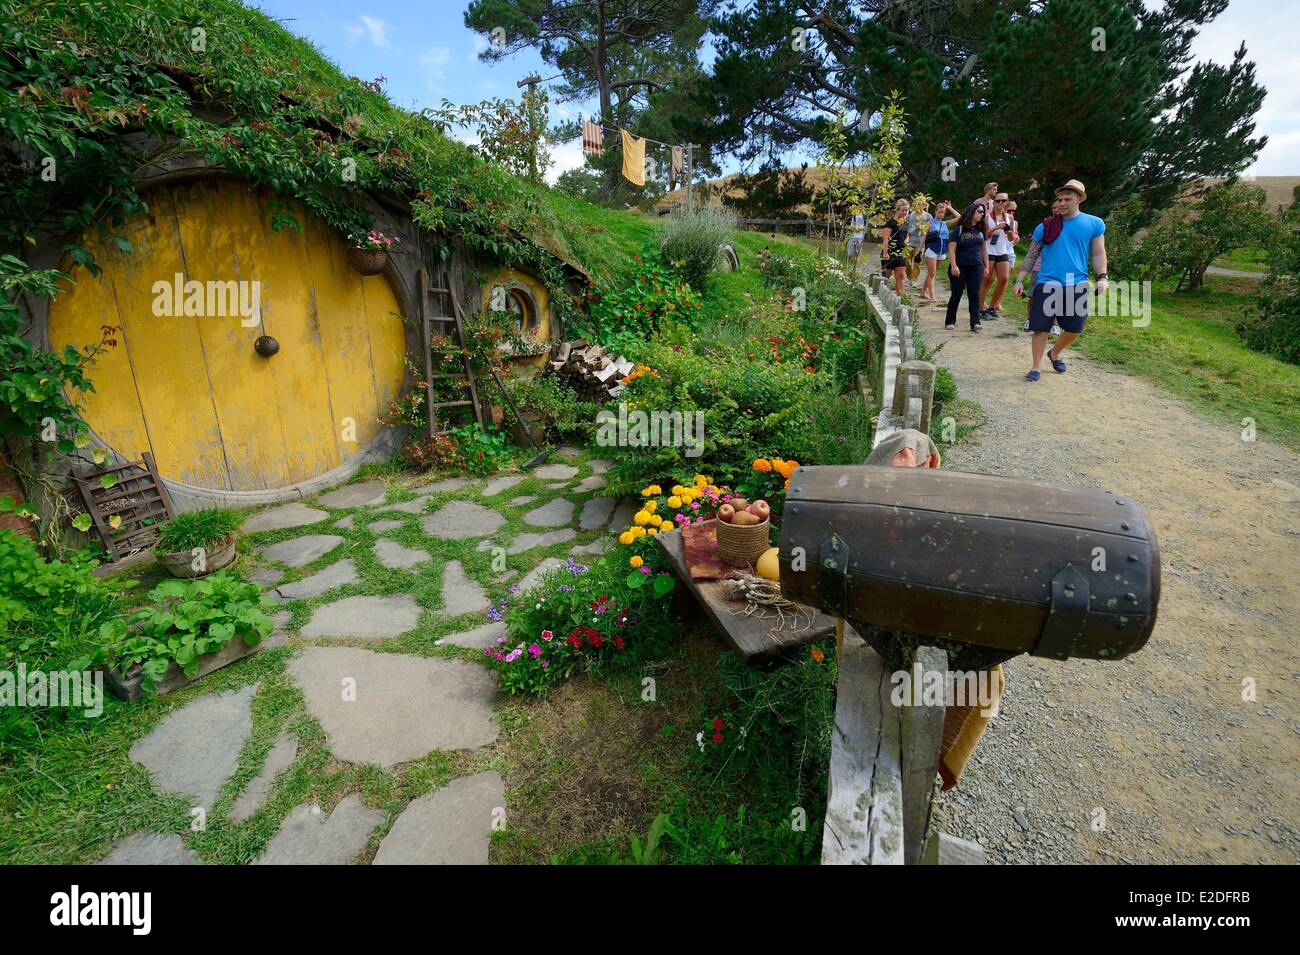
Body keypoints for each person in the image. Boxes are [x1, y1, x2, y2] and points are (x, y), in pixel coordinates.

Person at [1014, 179, 1108, 381]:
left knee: (1075, 329)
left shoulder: (1094, 223)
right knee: (1040, 328)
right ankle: (1036, 367)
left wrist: (1102, 277)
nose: (1062, 203)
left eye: (1068, 199)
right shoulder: (1045, 226)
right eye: (1060, 199)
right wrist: (1020, 280)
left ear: (1079, 199)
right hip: (1047, 282)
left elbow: (1099, 253)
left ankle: (1054, 353)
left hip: (1077, 283)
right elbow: (1031, 256)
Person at [946, 201, 990, 331]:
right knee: (957, 293)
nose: (982, 214)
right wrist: (954, 265)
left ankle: (975, 322)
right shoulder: (959, 228)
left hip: (976, 266)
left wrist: (986, 266)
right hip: (960, 265)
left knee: (974, 294)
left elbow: (984, 249)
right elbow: (952, 248)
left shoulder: (981, 229)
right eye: (979, 211)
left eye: (983, 212)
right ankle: (950, 320)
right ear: (972, 212)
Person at [979, 192, 1018, 320]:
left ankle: (992, 307)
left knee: (1004, 278)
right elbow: (985, 235)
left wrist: (1009, 232)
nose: (1001, 203)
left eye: (1004, 200)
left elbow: (1011, 237)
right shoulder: (987, 217)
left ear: (1007, 202)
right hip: (989, 250)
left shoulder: (1009, 218)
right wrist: (996, 228)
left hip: (1002, 250)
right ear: (994, 202)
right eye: (998, 200)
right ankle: (979, 308)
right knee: (987, 279)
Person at [920, 199, 952, 303]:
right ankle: (932, 295)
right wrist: (919, 251)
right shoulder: (929, 223)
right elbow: (923, 237)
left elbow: (960, 218)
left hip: (941, 250)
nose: (941, 214)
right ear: (935, 212)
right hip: (931, 249)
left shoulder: (945, 223)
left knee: (932, 273)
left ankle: (923, 292)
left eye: (943, 212)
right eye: (939, 212)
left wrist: (950, 208)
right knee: (932, 273)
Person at [879, 198, 910, 294]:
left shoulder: (905, 223)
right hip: (890, 252)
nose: (905, 212)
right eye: (903, 210)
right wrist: (885, 253)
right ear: (897, 210)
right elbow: (885, 238)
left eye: (906, 210)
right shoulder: (891, 223)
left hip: (900, 253)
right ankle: (879, 295)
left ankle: (900, 299)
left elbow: (907, 235)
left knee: (901, 275)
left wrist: (906, 241)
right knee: (885, 277)